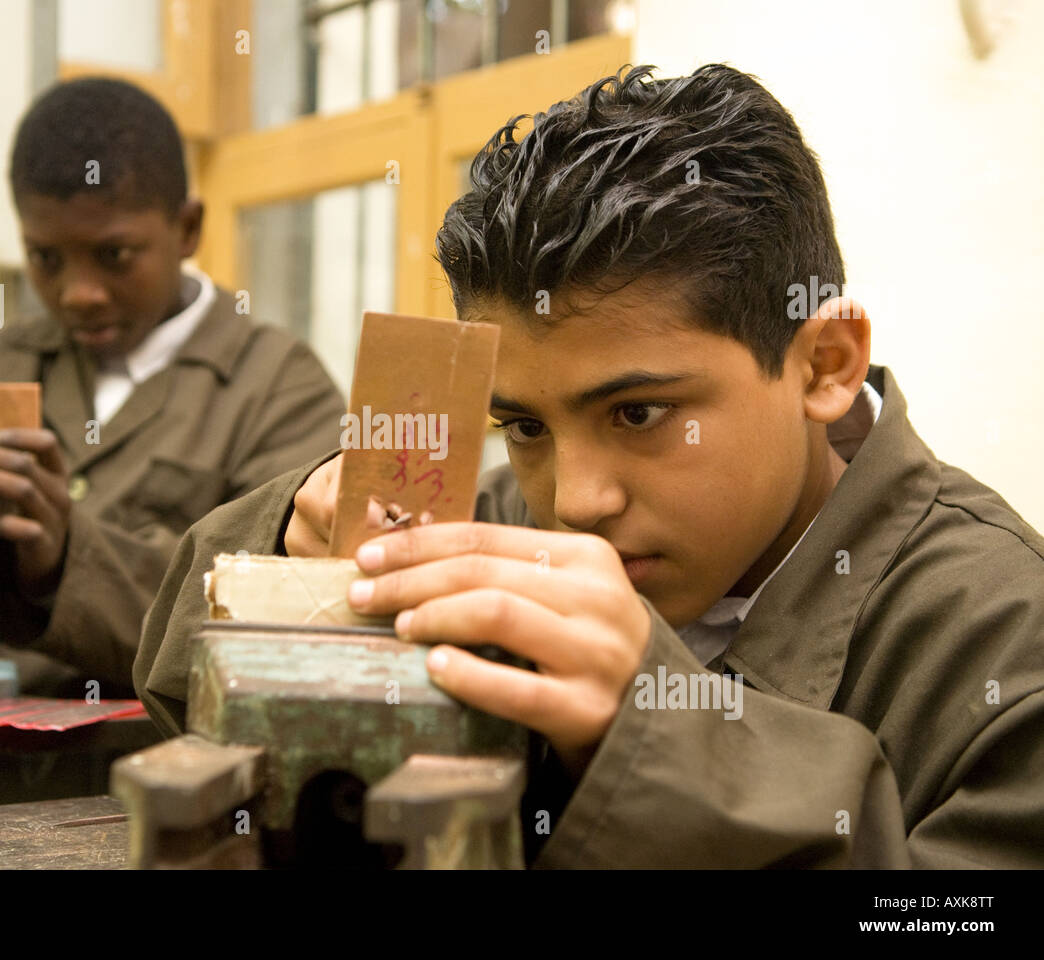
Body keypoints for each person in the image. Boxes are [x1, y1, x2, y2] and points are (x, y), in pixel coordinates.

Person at [133, 64, 1044, 867]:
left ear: (824, 365)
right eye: (524, 426)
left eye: (640, 414)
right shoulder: (495, 531)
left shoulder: (1004, 640)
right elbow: (177, 692)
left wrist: (667, 735)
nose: (575, 500)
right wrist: (291, 543)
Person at [0, 78, 347, 697]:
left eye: (113, 255)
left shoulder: (278, 388)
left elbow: (278, 624)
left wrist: (66, 557)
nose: (77, 293)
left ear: (188, 227)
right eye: (46, 258)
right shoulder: (1, 359)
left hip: (162, 769)